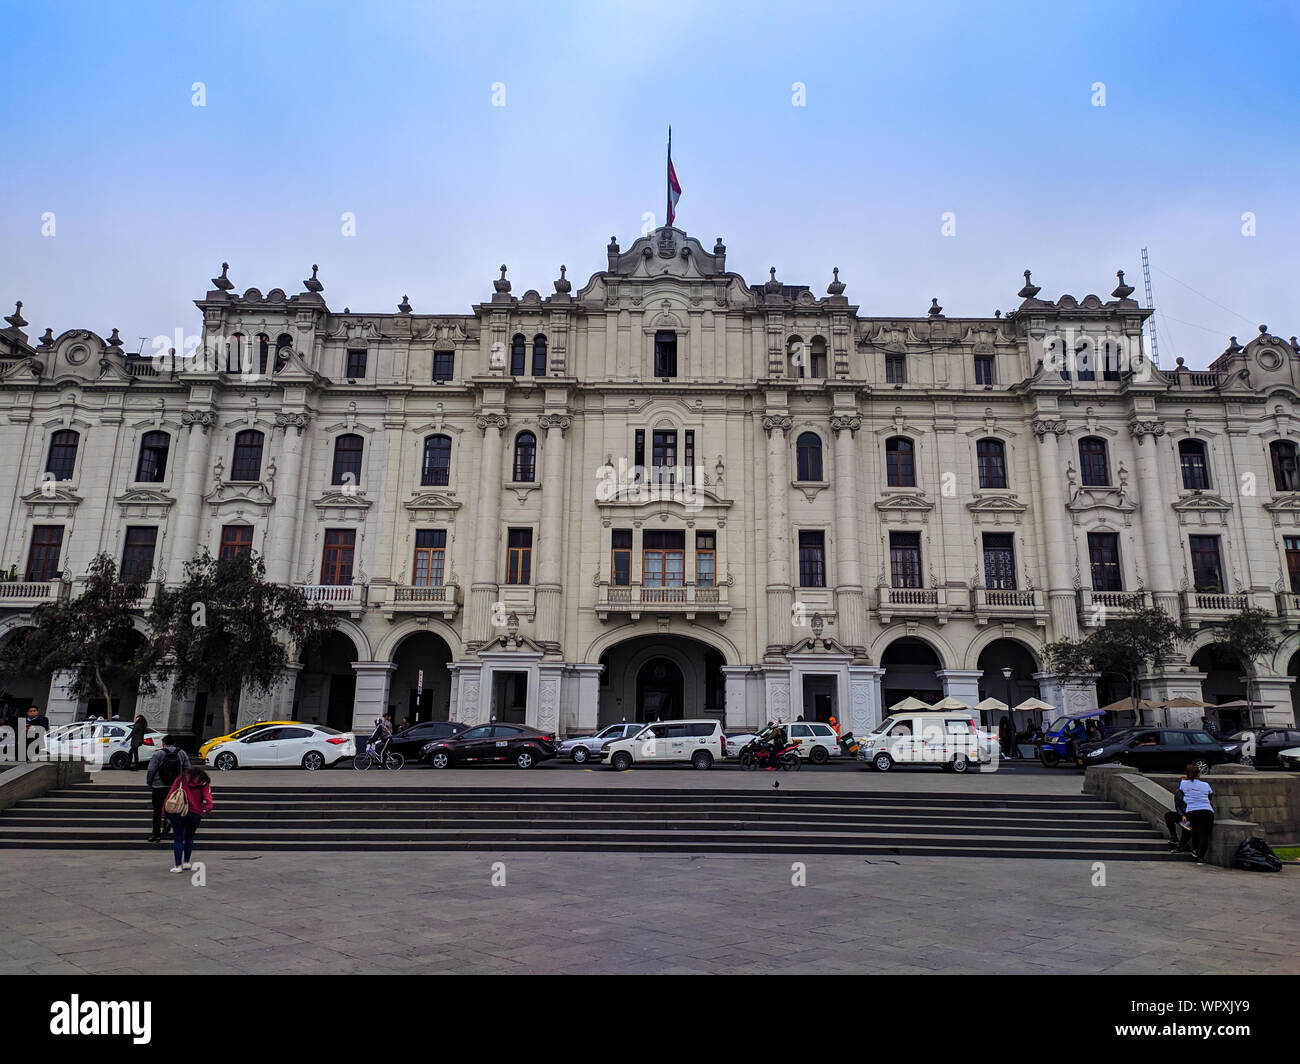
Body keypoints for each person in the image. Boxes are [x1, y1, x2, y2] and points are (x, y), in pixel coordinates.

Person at [164, 766, 213, 872]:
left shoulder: (181, 778)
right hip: (195, 813)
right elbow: (207, 796)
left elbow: (171, 793)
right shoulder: (204, 780)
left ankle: (178, 866)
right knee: (189, 837)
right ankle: (186, 862)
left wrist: (164, 811)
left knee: (178, 839)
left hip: (179, 811)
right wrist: (208, 808)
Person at [145, 736, 190, 843]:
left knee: (157, 810)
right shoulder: (182, 753)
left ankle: (156, 835)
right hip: (175, 787)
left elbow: (151, 769)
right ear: (174, 743)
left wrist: (149, 781)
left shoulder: (158, 754)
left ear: (164, 743)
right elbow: (188, 768)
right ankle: (169, 822)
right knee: (174, 808)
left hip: (158, 786)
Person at [1178, 764, 1215, 863]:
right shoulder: (1205, 784)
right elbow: (1210, 797)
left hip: (1191, 812)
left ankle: (1182, 846)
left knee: (1187, 827)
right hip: (1207, 812)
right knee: (1204, 835)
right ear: (1199, 774)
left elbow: (1180, 794)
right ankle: (1200, 858)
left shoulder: (1184, 783)